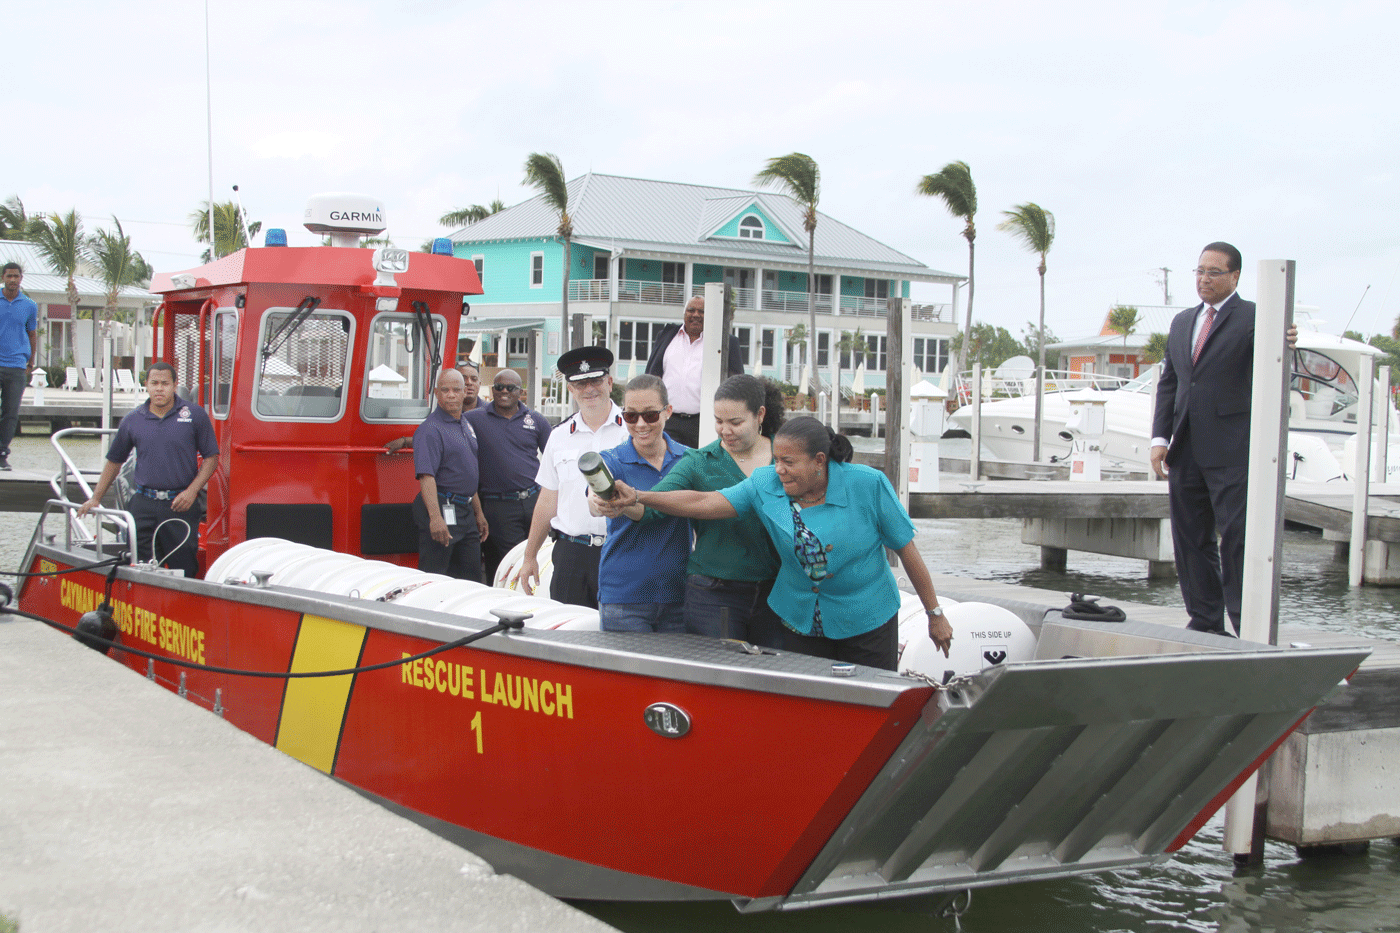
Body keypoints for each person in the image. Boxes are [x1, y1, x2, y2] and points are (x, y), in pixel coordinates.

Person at [602, 418, 952, 671]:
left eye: (788, 462)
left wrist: (934, 614)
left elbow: (907, 549)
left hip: (867, 616)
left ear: (819, 461)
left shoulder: (867, 484)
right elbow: (704, 503)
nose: (778, 469)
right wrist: (640, 496)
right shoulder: (765, 482)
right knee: (809, 706)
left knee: (871, 700)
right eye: (777, 460)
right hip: (800, 618)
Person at [607, 374, 786, 647]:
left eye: (735, 422)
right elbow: (653, 507)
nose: (725, 430)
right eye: (718, 421)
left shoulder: (787, 457)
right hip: (716, 596)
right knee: (722, 678)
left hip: (778, 593)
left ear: (760, 414)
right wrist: (628, 500)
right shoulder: (698, 462)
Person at [1151, 241, 1262, 635]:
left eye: (1214, 272)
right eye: (1199, 271)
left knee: (1235, 538)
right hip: (1185, 448)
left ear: (1234, 276)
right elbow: (1171, 384)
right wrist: (1159, 438)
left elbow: (1278, 364)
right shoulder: (1183, 321)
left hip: (1232, 447)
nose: (1204, 279)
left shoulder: (1255, 318)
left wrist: (1286, 338)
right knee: (1189, 540)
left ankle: (1244, 622)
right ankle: (1205, 621)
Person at [77, 363, 218, 577]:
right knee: (141, 568)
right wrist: (96, 498)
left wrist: (192, 492)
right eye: (154, 383)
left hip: (180, 504)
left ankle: (178, 608)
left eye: (165, 383)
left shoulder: (194, 415)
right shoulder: (132, 420)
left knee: (184, 568)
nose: (159, 388)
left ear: (174, 385)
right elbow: (114, 461)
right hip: (143, 504)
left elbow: (211, 457)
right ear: (146, 385)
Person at [514, 346, 627, 608]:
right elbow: (547, 500)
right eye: (580, 383)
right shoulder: (559, 436)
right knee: (567, 636)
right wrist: (530, 556)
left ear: (609, 383)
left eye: (596, 380)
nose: (589, 389)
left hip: (621, 550)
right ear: (570, 389)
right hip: (571, 555)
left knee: (619, 637)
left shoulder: (633, 431)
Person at [592, 375, 690, 632]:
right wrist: (600, 502)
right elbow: (593, 496)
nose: (641, 424)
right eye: (631, 417)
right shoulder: (612, 459)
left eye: (650, 415)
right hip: (624, 597)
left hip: (678, 595)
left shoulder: (689, 460)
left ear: (668, 412)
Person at [465, 367, 551, 583]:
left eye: (510, 387)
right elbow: (444, 434)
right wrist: (406, 440)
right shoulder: (473, 419)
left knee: (540, 556)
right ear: (492, 390)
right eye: (499, 387)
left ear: (520, 392)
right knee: (509, 563)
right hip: (498, 506)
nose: (504, 391)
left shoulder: (536, 420)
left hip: (534, 501)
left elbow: (555, 458)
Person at [411, 368, 489, 581]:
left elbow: (467, 473)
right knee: (435, 578)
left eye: (456, 389)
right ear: (436, 393)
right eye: (445, 390)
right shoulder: (430, 430)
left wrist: (479, 513)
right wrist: (435, 518)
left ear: (465, 392)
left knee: (471, 579)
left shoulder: (464, 423)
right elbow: (427, 477)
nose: (451, 394)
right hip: (441, 507)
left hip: (466, 511)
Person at [644, 295, 744, 448]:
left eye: (702, 311)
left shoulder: (724, 342)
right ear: (684, 314)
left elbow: (737, 384)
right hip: (668, 420)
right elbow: (653, 374)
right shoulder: (666, 337)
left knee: (701, 467)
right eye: (691, 310)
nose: (696, 315)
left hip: (704, 422)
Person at [386, 358, 487, 455]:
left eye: (474, 379)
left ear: (480, 384)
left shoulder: (490, 412)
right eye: (463, 378)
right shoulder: (442, 412)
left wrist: (406, 441)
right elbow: (436, 438)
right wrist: (405, 441)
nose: (469, 382)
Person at [0, 262, 38, 471]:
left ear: (21, 278)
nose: (13, 279)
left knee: (10, 413)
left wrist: (30, 362)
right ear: (3, 277)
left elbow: (32, 334)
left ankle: (2, 453)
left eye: (16, 276)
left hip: (16, 366)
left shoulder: (29, 305)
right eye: (9, 276)